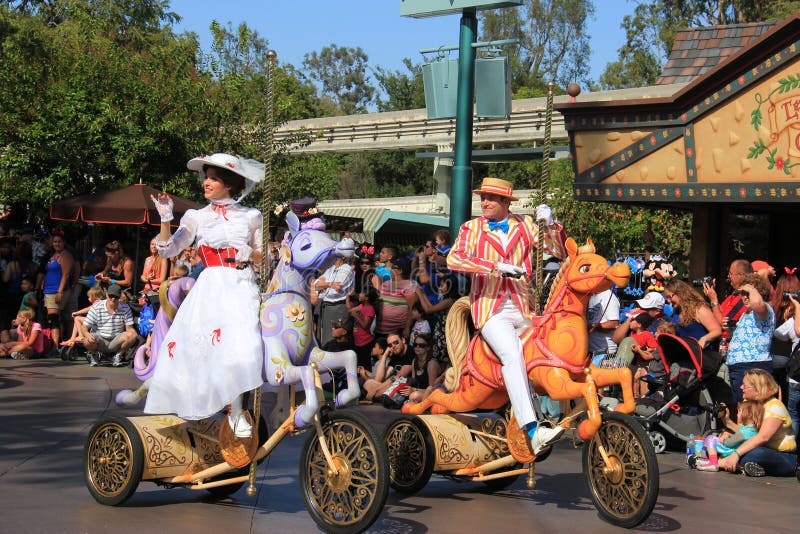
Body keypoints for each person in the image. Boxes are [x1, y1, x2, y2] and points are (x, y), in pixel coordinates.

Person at [145, 153, 265, 439]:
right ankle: (194, 407)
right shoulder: (195, 217)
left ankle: (235, 410)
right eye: (206, 177)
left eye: (214, 178)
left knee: (243, 346)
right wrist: (165, 218)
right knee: (201, 349)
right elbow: (168, 250)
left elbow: (264, 260)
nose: (207, 182)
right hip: (211, 286)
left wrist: (257, 254)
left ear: (230, 184)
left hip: (242, 284)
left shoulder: (252, 216)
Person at [447, 176, 567, 455]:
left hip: (524, 307)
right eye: (482, 197)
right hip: (491, 310)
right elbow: (455, 258)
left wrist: (550, 224)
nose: (484, 202)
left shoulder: (525, 225)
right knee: (513, 355)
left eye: (490, 198)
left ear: (504, 202)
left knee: (552, 348)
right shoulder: (472, 227)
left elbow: (557, 251)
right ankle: (533, 429)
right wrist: (497, 267)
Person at [717, 369, 796, 477]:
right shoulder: (751, 404)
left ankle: (720, 462)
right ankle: (743, 466)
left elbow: (763, 437)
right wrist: (728, 425)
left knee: (755, 454)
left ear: (758, 389)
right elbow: (748, 433)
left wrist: (735, 454)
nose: (741, 388)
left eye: (745, 386)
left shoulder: (775, 406)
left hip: (781, 456)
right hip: (760, 448)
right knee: (718, 443)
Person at [726, 273, 775, 407]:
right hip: (740, 366)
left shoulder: (764, 308)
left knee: (753, 410)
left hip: (753, 366)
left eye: (747, 293)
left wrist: (751, 288)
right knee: (743, 410)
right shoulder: (746, 313)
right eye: (743, 293)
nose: (745, 297)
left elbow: (757, 302)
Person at [689, 400, 763, 472]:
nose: (737, 414)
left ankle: (712, 463)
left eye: (739, 411)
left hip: (731, 450)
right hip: (740, 451)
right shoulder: (753, 430)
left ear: (748, 414)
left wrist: (724, 440)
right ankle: (741, 467)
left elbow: (729, 443)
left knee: (710, 439)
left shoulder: (744, 431)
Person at [80, 284, 138, 367]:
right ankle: (94, 354)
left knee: (133, 334)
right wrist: (87, 334)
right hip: (100, 339)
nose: (113, 299)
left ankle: (118, 355)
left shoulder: (125, 307)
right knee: (87, 340)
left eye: (116, 297)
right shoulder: (97, 307)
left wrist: (133, 334)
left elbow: (129, 328)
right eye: (111, 296)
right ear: (106, 294)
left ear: (119, 296)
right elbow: (85, 326)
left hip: (116, 340)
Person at [415, 273, 460, 370]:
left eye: (443, 285)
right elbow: (430, 307)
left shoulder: (450, 300)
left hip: (445, 336)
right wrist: (422, 294)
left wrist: (419, 294)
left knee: (443, 361)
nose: (440, 287)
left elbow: (428, 310)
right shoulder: (446, 299)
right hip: (441, 334)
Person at [664, 279, 722, 349]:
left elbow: (717, 331)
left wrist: (704, 339)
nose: (668, 300)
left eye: (669, 297)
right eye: (667, 298)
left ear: (679, 293)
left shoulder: (699, 309)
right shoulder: (676, 310)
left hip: (700, 354)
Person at [772, 293, 800, 435]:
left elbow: (777, 334)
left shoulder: (795, 321)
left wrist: (797, 309)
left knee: (793, 414)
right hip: (795, 377)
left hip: (796, 378)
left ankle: (793, 448)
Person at [41, 233, 74, 349]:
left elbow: (66, 274)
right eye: (55, 241)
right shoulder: (53, 255)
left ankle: (55, 347)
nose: (57, 244)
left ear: (64, 243)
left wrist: (60, 291)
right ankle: (57, 344)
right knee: (55, 318)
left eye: (59, 241)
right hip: (48, 289)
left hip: (57, 290)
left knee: (53, 318)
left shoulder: (66, 256)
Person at [314, 252, 354, 346]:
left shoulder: (347, 269)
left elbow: (334, 292)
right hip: (325, 307)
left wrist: (323, 286)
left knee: (335, 339)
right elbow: (316, 285)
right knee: (324, 338)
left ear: (343, 256)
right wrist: (330, 284)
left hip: (338, 307)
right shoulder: (330, 269)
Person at [704, 259, 753, 334]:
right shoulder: (734, 295)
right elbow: (719, 312)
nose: (728, 276)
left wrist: (713, 299)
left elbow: (721, 323)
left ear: (740, 275)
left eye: (730, 273)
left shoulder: (744, 298)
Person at [375, 257, 417, 338]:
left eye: (393, 267)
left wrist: (407, 328)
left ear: (400, 271)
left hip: (397, 332)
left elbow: (412, 309)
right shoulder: (385, 284)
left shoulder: (409, 285)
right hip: (380, 330)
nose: (390, 269)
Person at [346, 287, 377, 369]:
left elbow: (365, 325)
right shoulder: (361, 306)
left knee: (365, 364)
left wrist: (356, 316)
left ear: (366, 298)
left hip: (365, 342)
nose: (359, 295)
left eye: (362, 293)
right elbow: (349, 310)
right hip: (358, 341)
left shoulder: (369, 309)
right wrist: (347, 297)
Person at [587, 288, 621, 357]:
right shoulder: (592, 295)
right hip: (589, 350)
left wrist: (591, 326)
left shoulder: (609, 297)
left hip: (604, 352)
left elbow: (613, 323)